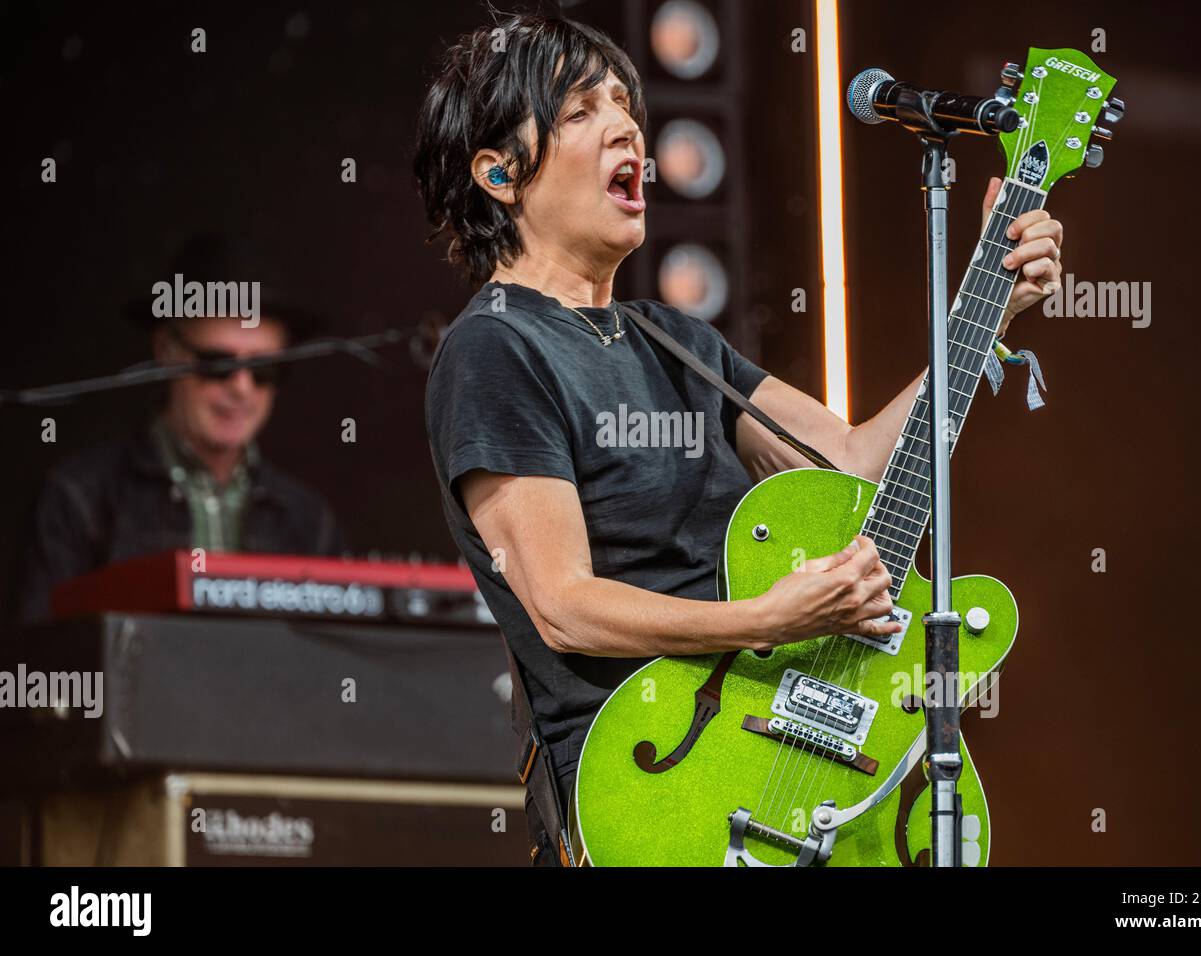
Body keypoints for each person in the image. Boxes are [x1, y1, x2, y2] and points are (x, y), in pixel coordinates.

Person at [415, 14, 1064, 865]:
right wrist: (765, 618)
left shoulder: (671, 338)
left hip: (779, 757)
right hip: (654, 789)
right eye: (580, 112)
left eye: (626, 104)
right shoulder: (497, 345)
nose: (626, 128)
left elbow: (860, 463)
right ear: (500, 174)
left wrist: (989, 305)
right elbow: (563, 605)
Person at [15, 235, 346, 625]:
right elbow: (40, 662)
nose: (241, 387)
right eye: (217, 363)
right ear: (167, 351)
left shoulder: (309, 521)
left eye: (264, 369)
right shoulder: (78, 497)